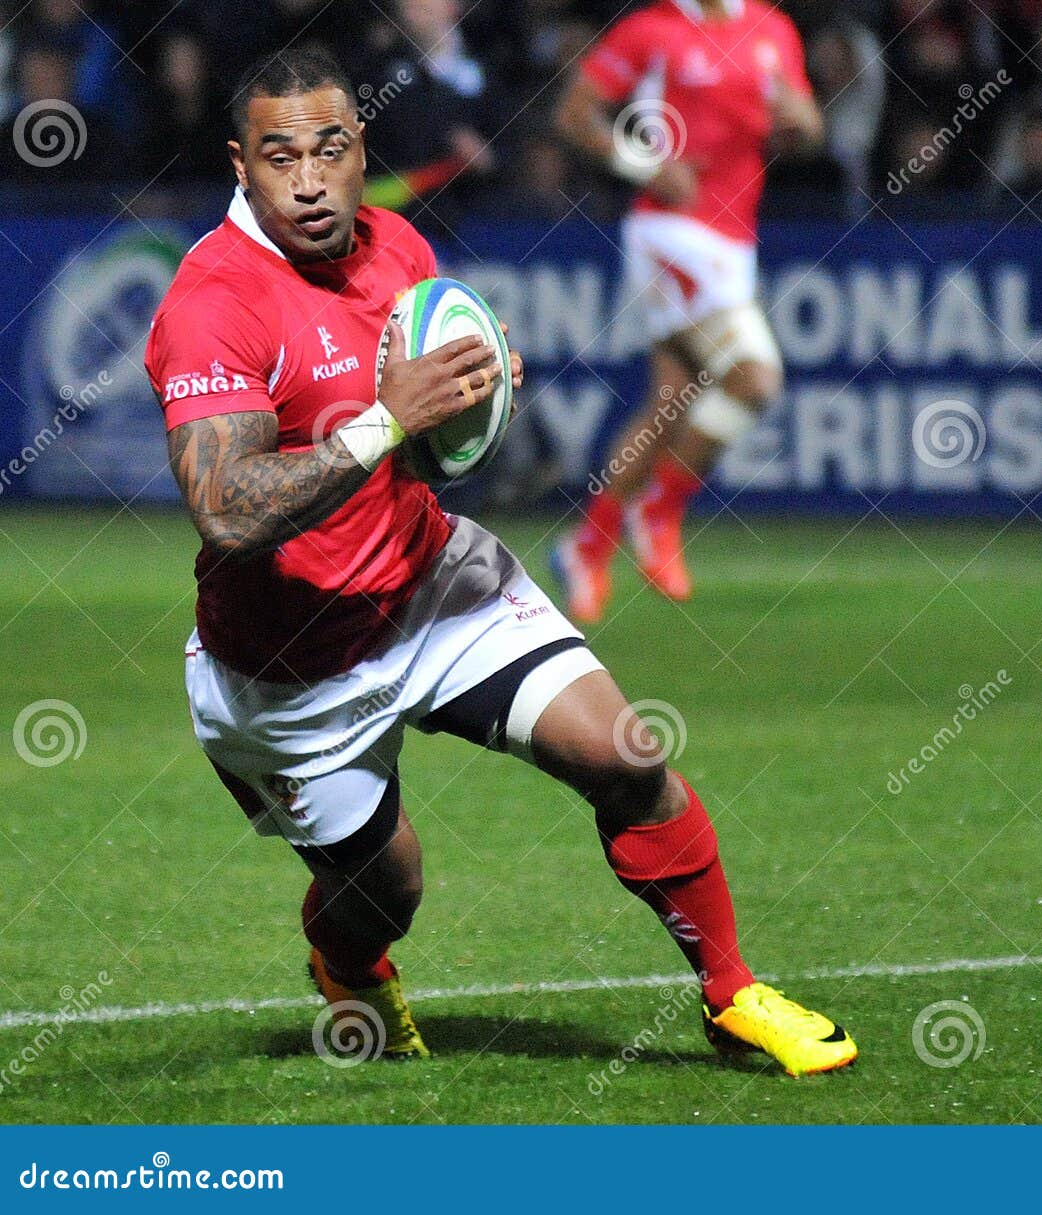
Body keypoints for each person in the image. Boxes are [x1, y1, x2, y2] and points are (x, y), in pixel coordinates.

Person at [143, 46, 856, 1077]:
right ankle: (348, 971)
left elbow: (439, 436)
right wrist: (392, 420)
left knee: (625, 755)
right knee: (384, 895)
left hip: (435, 586)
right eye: (279, 155)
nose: (307, 179)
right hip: (289, 667)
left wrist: (476, 392)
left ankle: (732, 993)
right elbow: (225, 511)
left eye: (330, 150)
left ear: (359, 153)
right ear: (240, 167)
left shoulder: (398, 250)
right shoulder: (213, 302)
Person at [549, 0, 823, 622]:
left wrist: (802, 123)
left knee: (668, 404)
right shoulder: (652, 30)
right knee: (755, 377)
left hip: (735, 236)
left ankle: (586, 547)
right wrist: (641, 163)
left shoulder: (772, 29)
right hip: (670, 230)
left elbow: (806, 123)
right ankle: (660, 507)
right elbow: (573, 114)